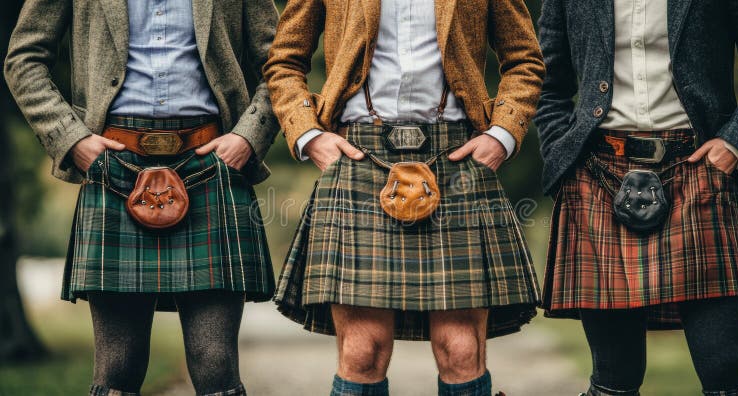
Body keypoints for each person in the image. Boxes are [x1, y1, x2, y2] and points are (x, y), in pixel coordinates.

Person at [264, 1, 544, 395]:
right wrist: (309, 135)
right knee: (363, 352)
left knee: (460, 349)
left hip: (456, 157)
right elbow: (283, 61)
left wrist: (502, 134)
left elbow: (525, 60)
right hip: (359, 155)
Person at [5, 0, 280, 394]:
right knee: (117, 371)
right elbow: (23, 59)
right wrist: (71, 139)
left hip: (213, 165)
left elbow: (280, 62)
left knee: (216, 367)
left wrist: (248, 137)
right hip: (113, 166)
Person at [534, 0, 738, 395]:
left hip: (699, 171)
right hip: (598, 175)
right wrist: (564, 157)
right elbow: (547, 82)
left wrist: (735, 141)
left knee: (725, 369)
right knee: (613, 376)